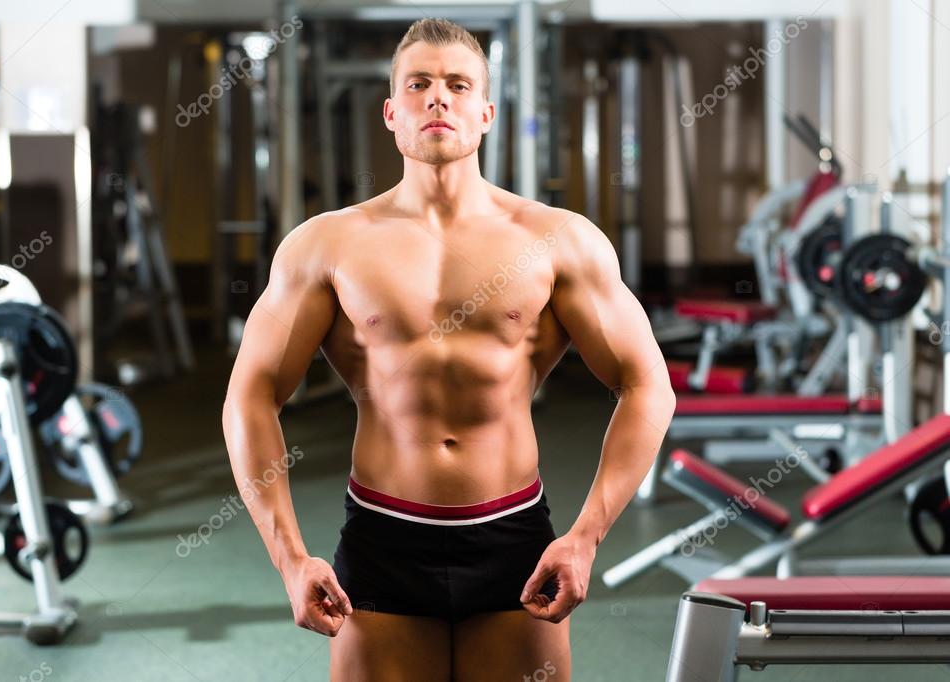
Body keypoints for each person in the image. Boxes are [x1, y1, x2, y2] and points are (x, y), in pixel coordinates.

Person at [223, 17, 675, 681]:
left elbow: (647, 385)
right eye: (419, 84)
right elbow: (251, 396)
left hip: (513, 540)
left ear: (486, 112)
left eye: (458, 84)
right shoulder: (326, 245)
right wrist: (290, 557)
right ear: (390, 111)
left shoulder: (558, 240)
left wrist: (584, 536)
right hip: (382, 541)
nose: (439, 97)